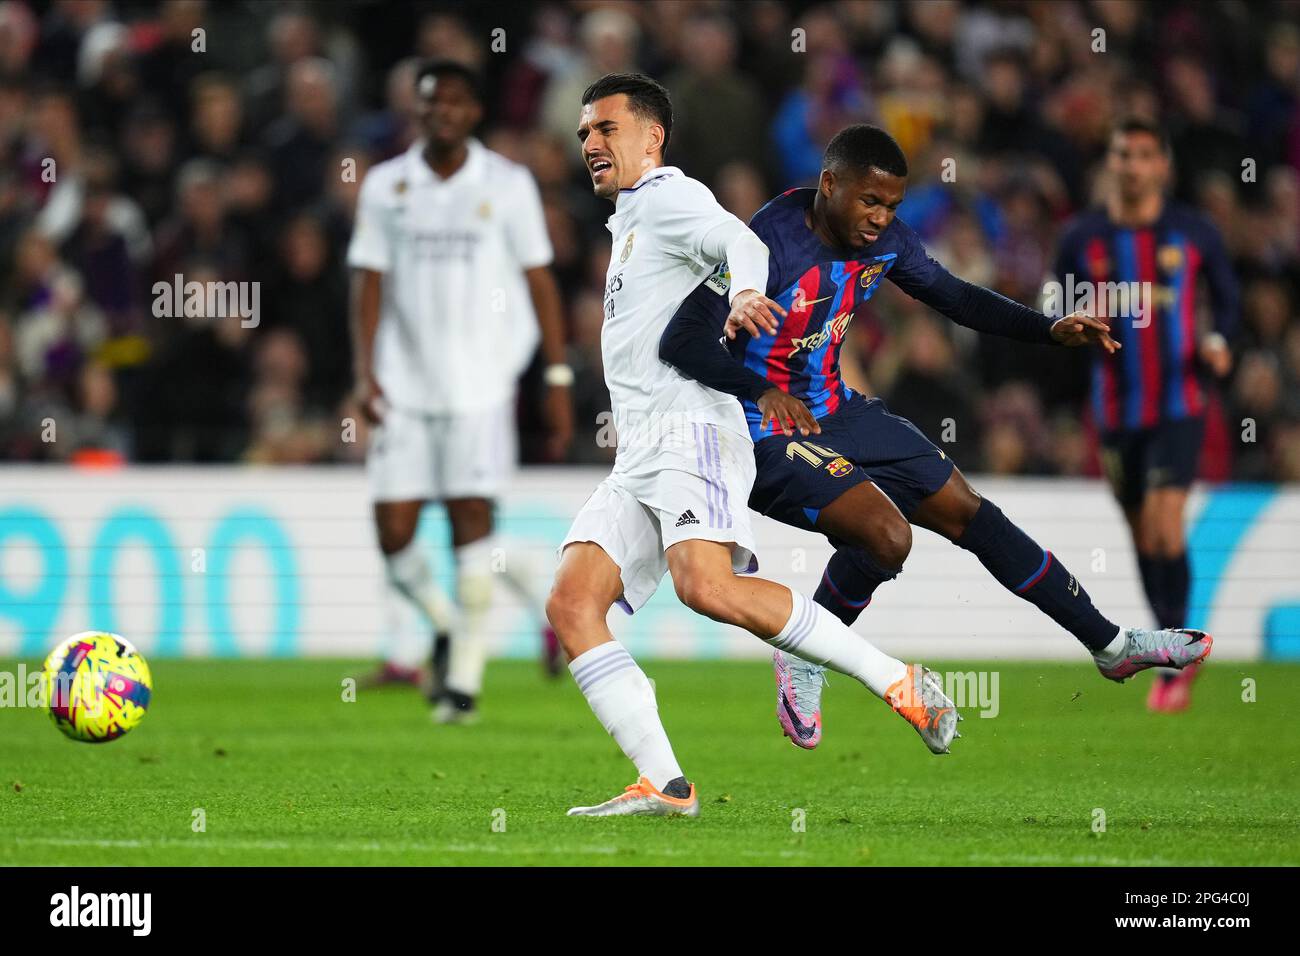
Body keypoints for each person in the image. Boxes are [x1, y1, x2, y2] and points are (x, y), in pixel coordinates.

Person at [659, 124, 1213, 750]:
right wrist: (759, 390)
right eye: (869, 202)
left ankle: (1111, 646)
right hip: (757, 428)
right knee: (888, 537)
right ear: (829, 185)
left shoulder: (887, 242)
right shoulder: (764, 242)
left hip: (836, 410)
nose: (880, 219)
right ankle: (804, 652)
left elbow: (955, 297)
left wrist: (1046, 328)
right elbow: (679, 340)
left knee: (968, 511)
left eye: (891, 206)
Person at [547, 76, 959, 819]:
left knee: (706, 587)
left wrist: (743, 293)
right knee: (574, 603)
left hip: (693, 429)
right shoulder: (633, 217)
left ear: (652, 138)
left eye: (607, 129)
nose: (591, 144)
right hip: (642, 450)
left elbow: (737, 236)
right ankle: (665, 785)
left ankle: (897, 680)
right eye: (584, 134)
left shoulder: (670, 197)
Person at [346, 60, 574, 722]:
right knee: (394, 534)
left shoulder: (506, 184)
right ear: (416, 113)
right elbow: (367, 279)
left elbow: (539, 280)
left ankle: (462, 686)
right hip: (404, 385)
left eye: (454, 102)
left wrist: (555, 376)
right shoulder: (388, 186)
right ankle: (452, 622)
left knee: (470, 529)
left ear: (474, 112)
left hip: (482, 384)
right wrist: (365, 373)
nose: (442, 113)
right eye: (429, 103)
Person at [1055, 118, 1238, 713]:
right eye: (1121, 153)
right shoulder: (1083, 236)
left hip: (1179, 403)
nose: (1130, 165)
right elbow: (1053, 304)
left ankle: (1179, 649)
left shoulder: (1192, 233)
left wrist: (1218, 339)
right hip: (1113, 409)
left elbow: (1229, 299)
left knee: (1165, 522)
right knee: (1139, 533)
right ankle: (1167, 647)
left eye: (1142, 155)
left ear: (1162, 165)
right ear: (1111, 162)